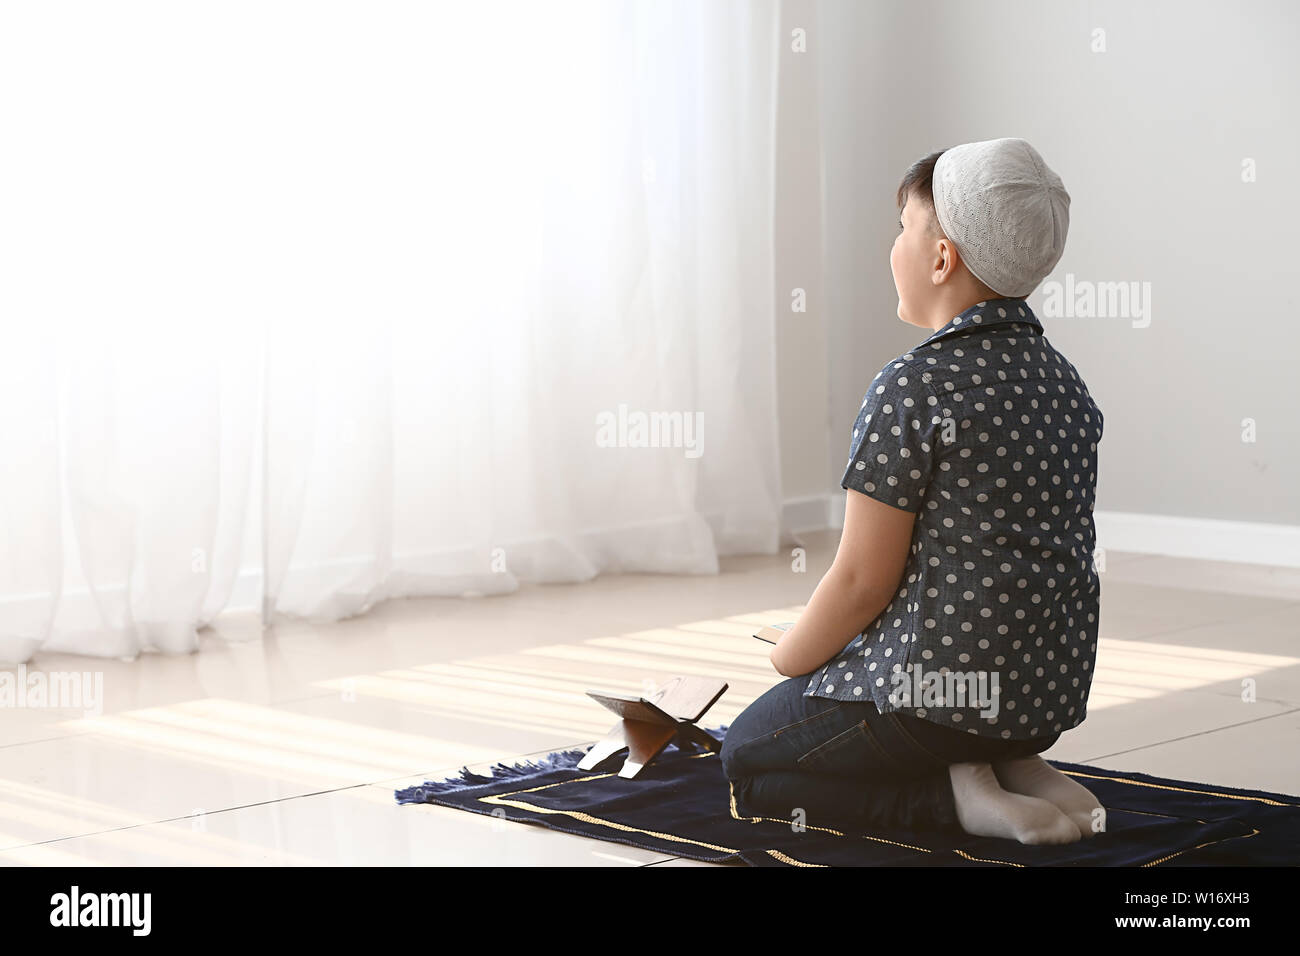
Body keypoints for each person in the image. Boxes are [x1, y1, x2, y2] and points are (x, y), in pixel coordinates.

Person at [720, 138, 1106, 845]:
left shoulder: (913, 385)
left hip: (935, 703)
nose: (893, 245)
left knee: (744, 759)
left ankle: (951, 799)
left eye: (904, 227)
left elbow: (863, 580)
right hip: (1044, 694)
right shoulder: (1064, 384)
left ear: (940, 258)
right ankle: (1011, 757)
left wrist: (790, 657)